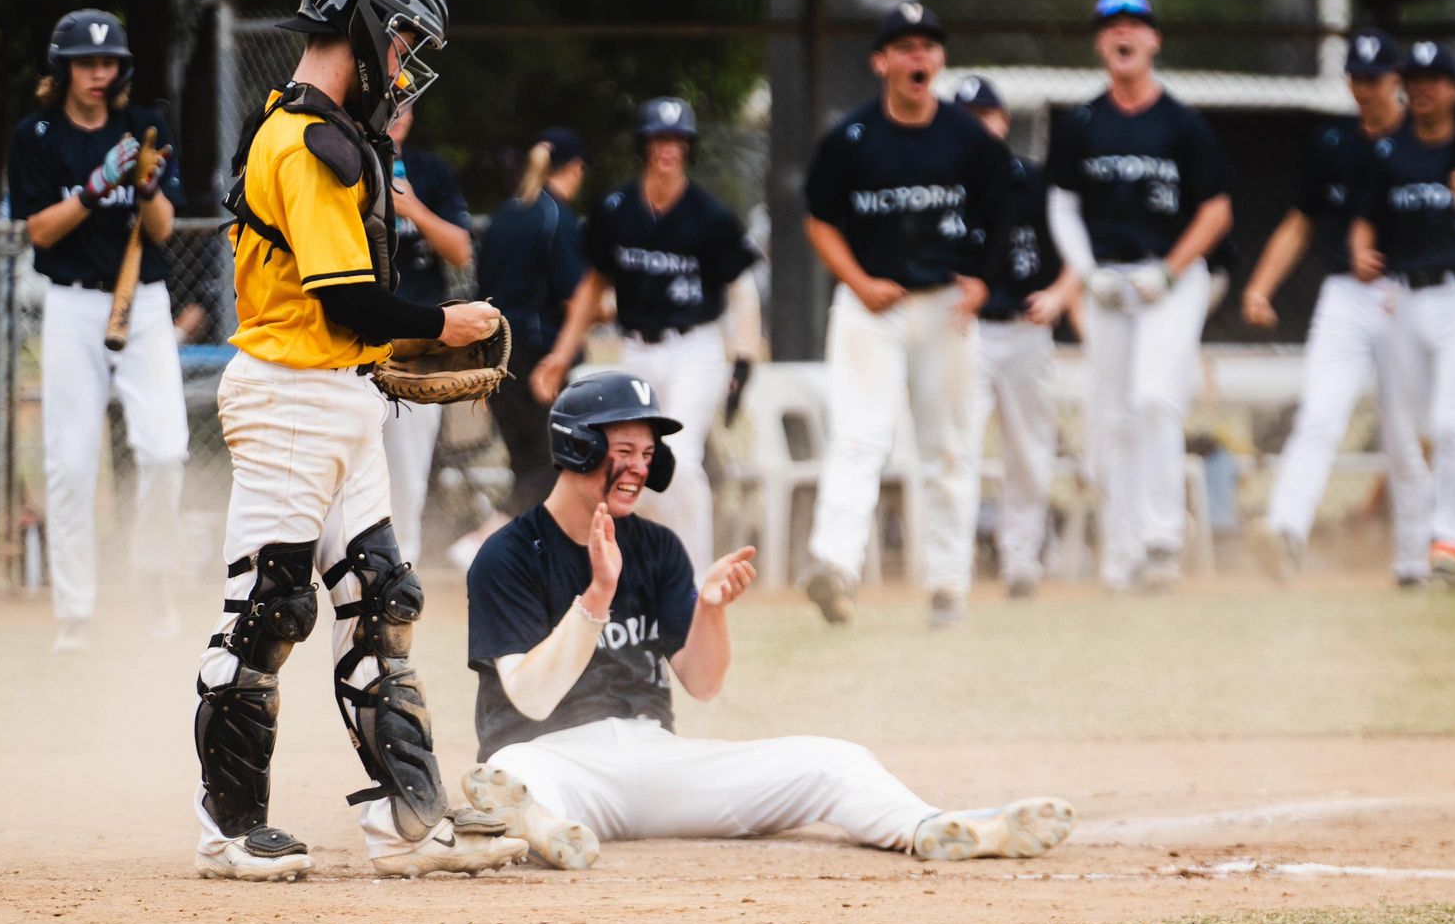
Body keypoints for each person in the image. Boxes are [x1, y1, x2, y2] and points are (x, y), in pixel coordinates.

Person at [194, 0, 524, 883]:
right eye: (401, 42)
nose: (404, 66)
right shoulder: (306, 143)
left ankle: (408, 820)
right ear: (367, 25)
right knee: (267, 608)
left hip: (339, 392)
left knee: (382, 602)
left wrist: (398, 344)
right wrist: (443, 322)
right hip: (289, 395)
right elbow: (346, 300)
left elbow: (348, 318)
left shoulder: (328, 134)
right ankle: (228, 827)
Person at [455, 370, 1076, 868]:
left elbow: (704, 683)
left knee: (835, 760)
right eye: (623, 451)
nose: (642, 467)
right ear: (577, 447)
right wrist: (597, 595)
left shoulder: (657, 547)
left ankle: (931, 826)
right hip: (556, 761)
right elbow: (531, 699)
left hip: (653, 755)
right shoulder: (509, 554)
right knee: (511, 776)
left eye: (648, 452)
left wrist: (713, 612)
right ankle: (541, 827)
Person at [798, 5, 1011, 628]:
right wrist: (858, 280)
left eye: (928, 47)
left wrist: (983, 281)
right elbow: (820, 220)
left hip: (944, 304)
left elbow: (1002, 211)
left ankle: (948, 586)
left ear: (939, 60)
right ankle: (835, 568)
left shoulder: (968, 138)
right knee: (860, 435)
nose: (918, 57)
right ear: (881, 62)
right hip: (873, 305)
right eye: (904, 47)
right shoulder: (852, 138)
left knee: (949, 446)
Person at [7, 9, 190, 653]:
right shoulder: (36, 135)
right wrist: (94, 187)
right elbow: (39, 230)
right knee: (72, 464)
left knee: (166, 451)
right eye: (86, 62)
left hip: (141, 301)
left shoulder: (145, 126)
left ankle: (153, 579)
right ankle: (75, 615)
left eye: (108, 62)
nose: (98, 73)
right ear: (63, 68)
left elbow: (164, 228)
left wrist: (142, 186)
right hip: (73, 305)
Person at [1046, 0, 1234, 594]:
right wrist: (1085, 270)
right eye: (1110, 28)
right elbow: (1062, 205)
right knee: (1114, 418)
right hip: (1109, 284)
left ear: (1153, 41)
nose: (1122, 36)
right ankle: (1121, 552)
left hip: (1169, 282)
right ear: (1100, 44)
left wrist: (1171, 272)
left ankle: (1161, 542)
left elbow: (1215, 213)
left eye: (1134, 26)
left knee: (1155, 398)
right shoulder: (1082, 124)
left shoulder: (1182, 123)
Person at [531, 96, 762, 576]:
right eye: (659, 139)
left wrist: (743, 360)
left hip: (694, 347)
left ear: (689, 149)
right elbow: (593, 284)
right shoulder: (617, 209)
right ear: (644, 145)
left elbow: (741, 291)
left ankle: (695, 580)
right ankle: (649, 567)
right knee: (628, 461)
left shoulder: (709, 215)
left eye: (678, 141)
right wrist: (561, 352)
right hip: (635, 348)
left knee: (678, 457)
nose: (668, 150)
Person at [1242, 31, 1432, 587]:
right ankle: (1285, 533)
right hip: (1346, 295)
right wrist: (1260, 287)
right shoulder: (1333, 145)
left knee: (1404, 432)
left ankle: (1419, 557)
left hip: (1411, 293)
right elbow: (1300, 221)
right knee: (1320, 416)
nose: (1363, 89)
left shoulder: (1428, 141)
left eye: (1373, 78)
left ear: (1396, 79)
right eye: (1355, 78)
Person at [1349, 40, 1455, 590]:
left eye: (1437, 78)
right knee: (1420, 429)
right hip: (1406, 296)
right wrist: (1363, 253)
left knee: (1453, 421)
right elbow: (1365, 218)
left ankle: (1450, 541)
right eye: (1417, 78)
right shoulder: (1390, 151)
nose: (1426, 88)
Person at [949, 75, 1072, 600]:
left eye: (985, 117)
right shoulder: (943, 189)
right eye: (965, 120)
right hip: (966, 333)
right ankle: (951, 565)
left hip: (1025, 329)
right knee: (959, 447)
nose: (977, 129)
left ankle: (1021, 559)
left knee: (1028, 450)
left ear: (1003, 122)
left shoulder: (1036, 183)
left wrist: (1062, 294)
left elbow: (1077, 250)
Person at [448, 127, 590, 569]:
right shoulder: (557, 216)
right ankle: (482, 543)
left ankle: (519, 559)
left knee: (526, 460)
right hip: (539, 357)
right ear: (576, 169)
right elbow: (574, 298)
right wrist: (602, 306)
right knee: (553, 465)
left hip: (494, 351)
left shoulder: (507, 213)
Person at [377, 103, 473, 564]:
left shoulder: (430, 172)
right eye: (388, 101)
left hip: (418, 339)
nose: (396, 112)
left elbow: (459, 250)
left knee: (408, 474)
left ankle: (400, 573)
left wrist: (411, 205)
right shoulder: (343, 160)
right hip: (356, 333)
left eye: (406, 104)